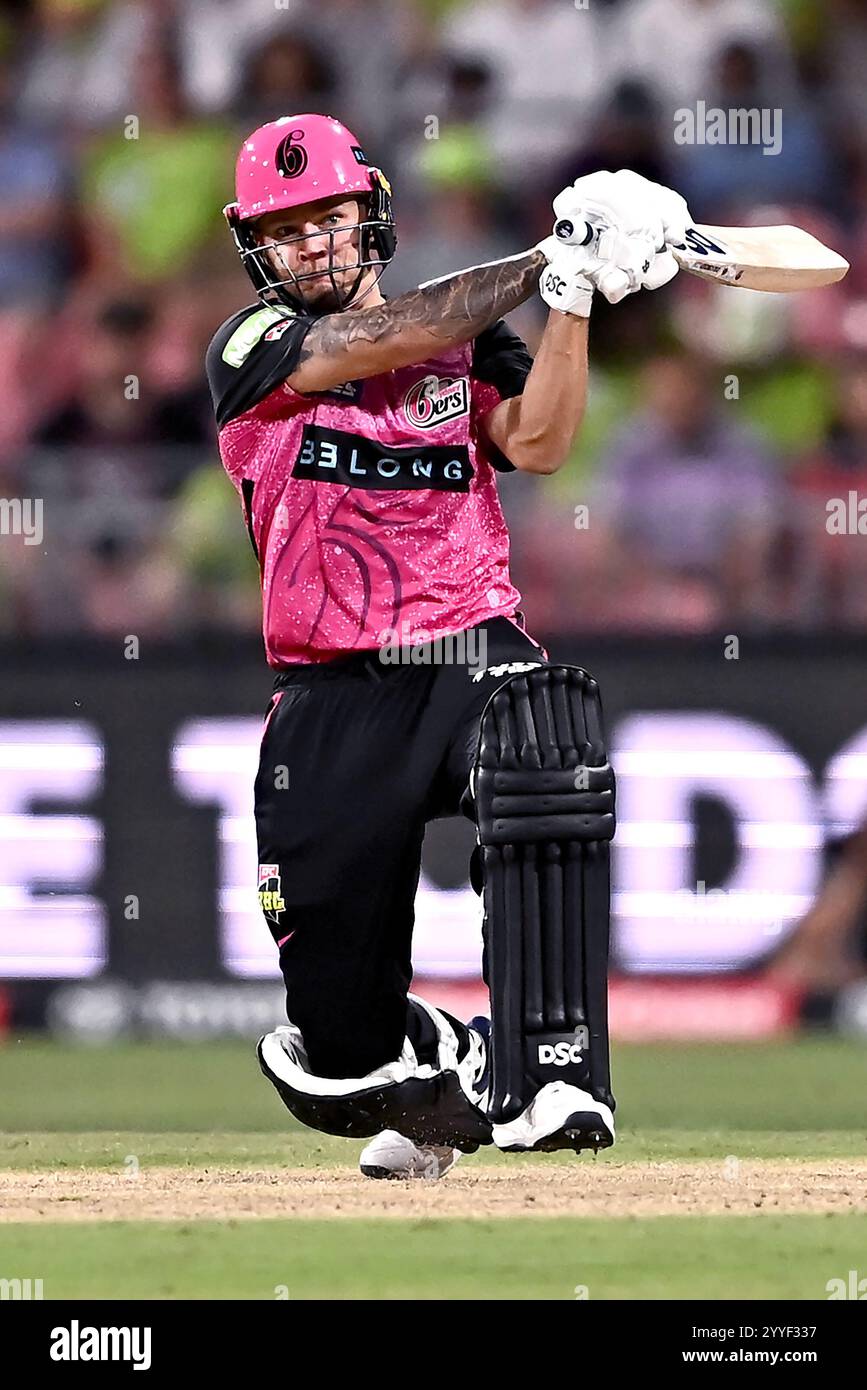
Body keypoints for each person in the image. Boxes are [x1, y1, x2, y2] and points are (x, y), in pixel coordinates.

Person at [206, 114, 685, 1179]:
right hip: (328, 691)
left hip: (467, 645)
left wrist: (571, 301)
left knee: (544, 733)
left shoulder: (470, 340)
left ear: (369, 214)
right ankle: (444, 1072)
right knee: (337, 1054)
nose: (314, 246)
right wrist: (546, 258)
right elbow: (377, 344)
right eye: (288, 231)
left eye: (329, 217)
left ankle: (550, 1069)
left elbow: (542, 442)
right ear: (257, 248)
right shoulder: (248, 348)